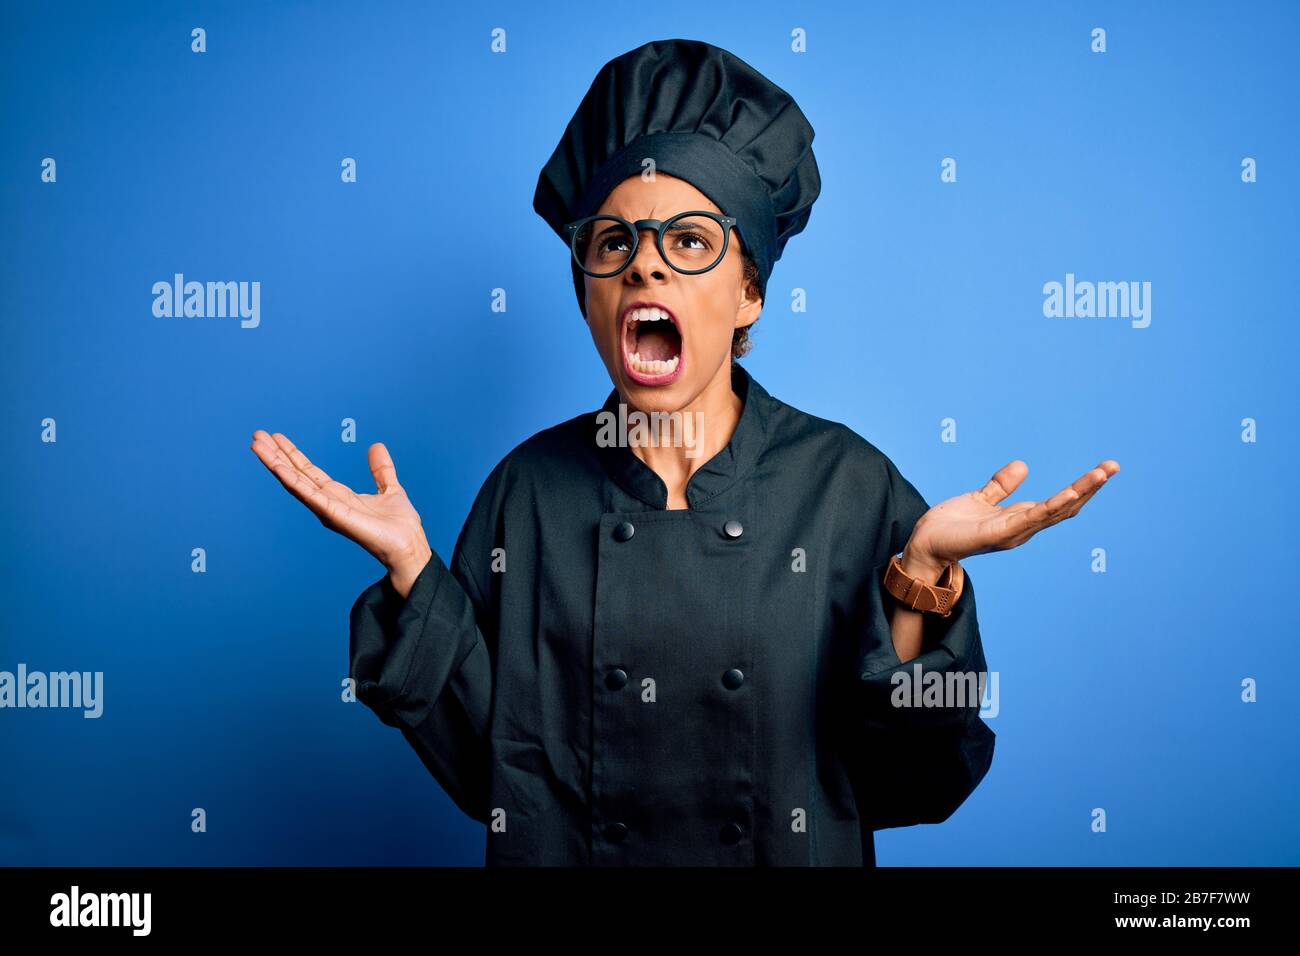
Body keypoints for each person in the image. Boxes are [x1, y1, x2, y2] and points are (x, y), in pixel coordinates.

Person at [250, 38, 1119, 866]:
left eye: (691, 241)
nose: (645, 268)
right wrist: (413, 572)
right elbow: (490, 778)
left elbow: (916, 780)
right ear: (588, 294)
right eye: (614, 242)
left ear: (749, 295)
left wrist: (920, 573)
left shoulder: (846, 484)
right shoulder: (527, 493)